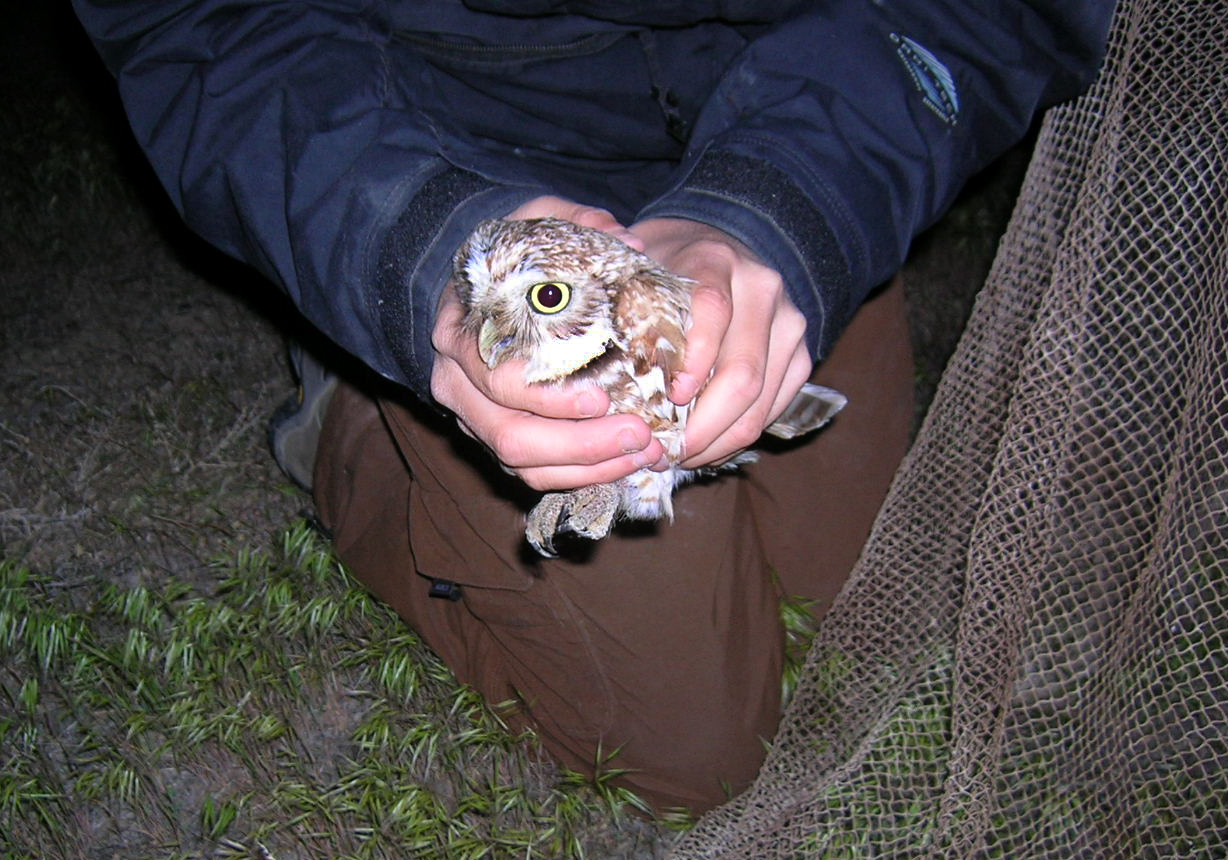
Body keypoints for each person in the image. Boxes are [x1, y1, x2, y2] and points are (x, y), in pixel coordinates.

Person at [73, 0, 1114, 814]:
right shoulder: (472, 269)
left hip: (787, 129)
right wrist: (411, 254)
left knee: (872, 625)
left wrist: (789, 213)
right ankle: (352, 408)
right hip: (441, 165)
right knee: (693, 750)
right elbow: (202, 31)